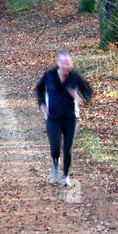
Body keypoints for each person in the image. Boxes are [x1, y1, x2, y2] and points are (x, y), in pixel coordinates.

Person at [34, 51, 94, 187]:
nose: (65, 66)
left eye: (68, 63)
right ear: (58, 63)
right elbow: (39, 89)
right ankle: (55, 162)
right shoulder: (49, 75)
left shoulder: (75, 77)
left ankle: (65, 176)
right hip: (52, 117)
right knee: (55, 147)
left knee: (68, 148)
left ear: (71, 64)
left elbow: (88, 93)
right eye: (63, 63)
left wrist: (78, 97)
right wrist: (42, 104)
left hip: (70, 117)